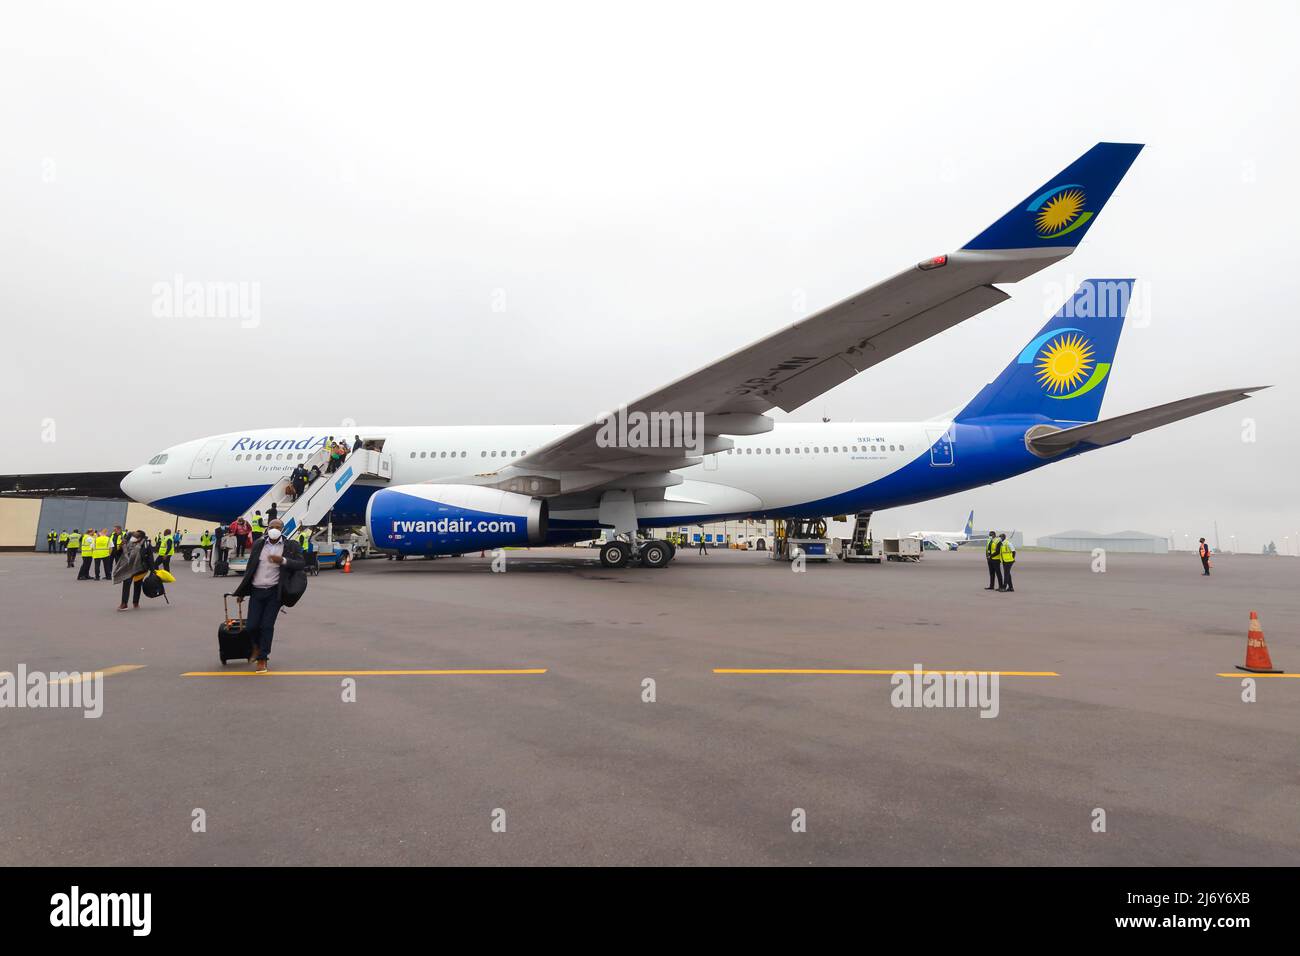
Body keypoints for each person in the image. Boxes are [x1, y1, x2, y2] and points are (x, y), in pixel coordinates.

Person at [233, 518, 306, 673]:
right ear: (267, 528)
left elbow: (301, 564)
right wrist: (242, 592)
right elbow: (250, 568)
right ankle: (256, 647)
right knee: (251, 626)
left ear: (282, 529)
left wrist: (283, 560)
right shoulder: (259, 544)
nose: (274, 529)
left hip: (274, 592)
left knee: (266, 626)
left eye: (278, 527)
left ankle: (262, 658)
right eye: (272, 526)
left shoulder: (291, 546)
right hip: (256, 590)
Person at [114, 530, 153, 610]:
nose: (133, 538)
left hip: (140, 568)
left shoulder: (146, 544)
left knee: (137, 585)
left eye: (135, 537)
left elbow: (150, 557)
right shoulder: (128, 542)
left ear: (140, 538)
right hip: (129, 568)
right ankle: (124, 604)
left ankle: (136, 602)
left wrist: (153, 570)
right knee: (126, 583)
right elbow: (118, 554)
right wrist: (121, 546)